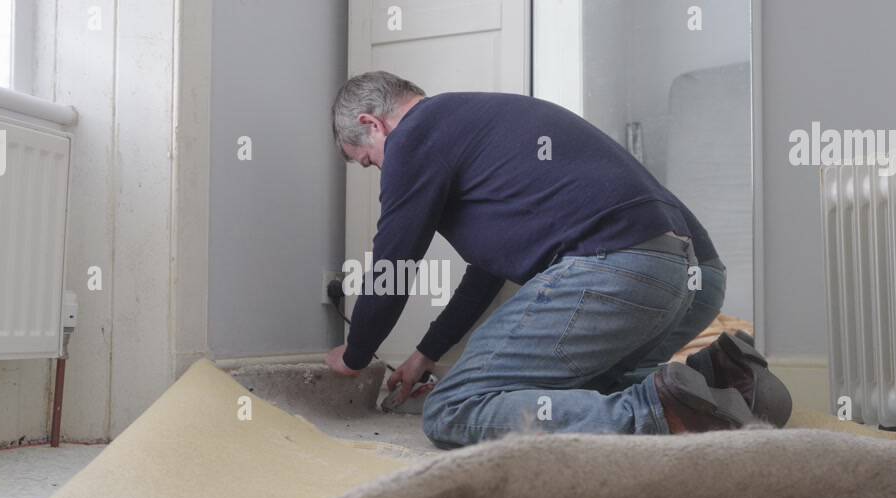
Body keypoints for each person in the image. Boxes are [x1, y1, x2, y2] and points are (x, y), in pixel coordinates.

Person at [325, 71, 790, 449]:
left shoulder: (415, 136)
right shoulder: (475, 124)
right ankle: (723, 378)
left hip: (621, 268)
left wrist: (356, 352)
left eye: (368, 161)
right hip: (692, 277)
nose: (380, 171)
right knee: (575, 393)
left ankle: (660, 415)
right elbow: (486, 273)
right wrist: (425, 354)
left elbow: (395, 258)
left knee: (452, 409)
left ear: (373, 124)